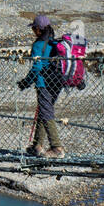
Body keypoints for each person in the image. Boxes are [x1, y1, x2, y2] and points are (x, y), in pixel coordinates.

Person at [16, 14, 65, 158]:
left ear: (38, 29)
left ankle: (57, 148)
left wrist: (26, 82)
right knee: (44, 111)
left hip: (43, 83)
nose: (32, 31)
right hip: (56, 83)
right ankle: (37, 145)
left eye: (34, 28)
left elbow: (37, 67)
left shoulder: (38, 45)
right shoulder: (54, 43)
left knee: (46, 113)